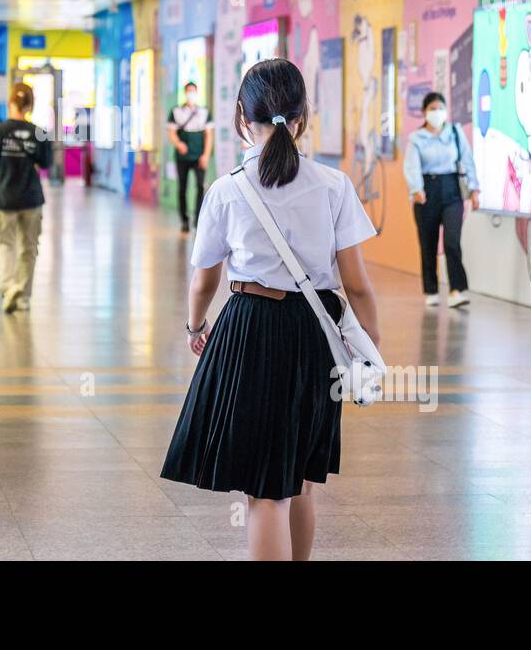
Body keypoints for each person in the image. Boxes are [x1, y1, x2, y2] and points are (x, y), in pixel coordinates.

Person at [160, 58, 379, 561]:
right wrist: (371, 349)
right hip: (316, 332)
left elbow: (204, 279)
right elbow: (359, 286)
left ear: (242, 117)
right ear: (303, 117)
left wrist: (196, 326)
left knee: (266, 491)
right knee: (300, 479)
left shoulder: (227, 189)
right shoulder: (334, 185)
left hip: (250, 328)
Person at [0, 83, 52, 313]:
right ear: (30, 105)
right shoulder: (39, 133)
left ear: (11, 103)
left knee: (2, 243)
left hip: (4, 197)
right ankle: (23, 297)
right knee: (28, 248)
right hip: (32, 198)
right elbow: (45, 165)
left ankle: (9, 288)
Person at [402, 91, 480, 309]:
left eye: (440, 108)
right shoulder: (416, 139)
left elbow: (467, 159)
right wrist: (416, 189)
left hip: (452, 190)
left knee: (451, 241)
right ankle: (431, 290)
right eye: (432, 109)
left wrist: (475, 189)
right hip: (427, 191)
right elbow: (411, 166)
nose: (437, 113)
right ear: (424, 112)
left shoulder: (455, 132)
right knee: (428, 243)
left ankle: (457, 289)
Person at [166, 82, 214, 233]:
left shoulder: (204, 112)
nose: (191, 94)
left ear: (197, 92)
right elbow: (171, 132)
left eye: (193, 91)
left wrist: (206, 155)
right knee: (182, 187)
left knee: (200, 186)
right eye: (188, 91)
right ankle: (184, 220)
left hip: (199, 156)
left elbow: (209, 135)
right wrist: (178, 144)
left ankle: (198, 219)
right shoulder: (176, 111)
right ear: (185, 93)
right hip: (182, 157)